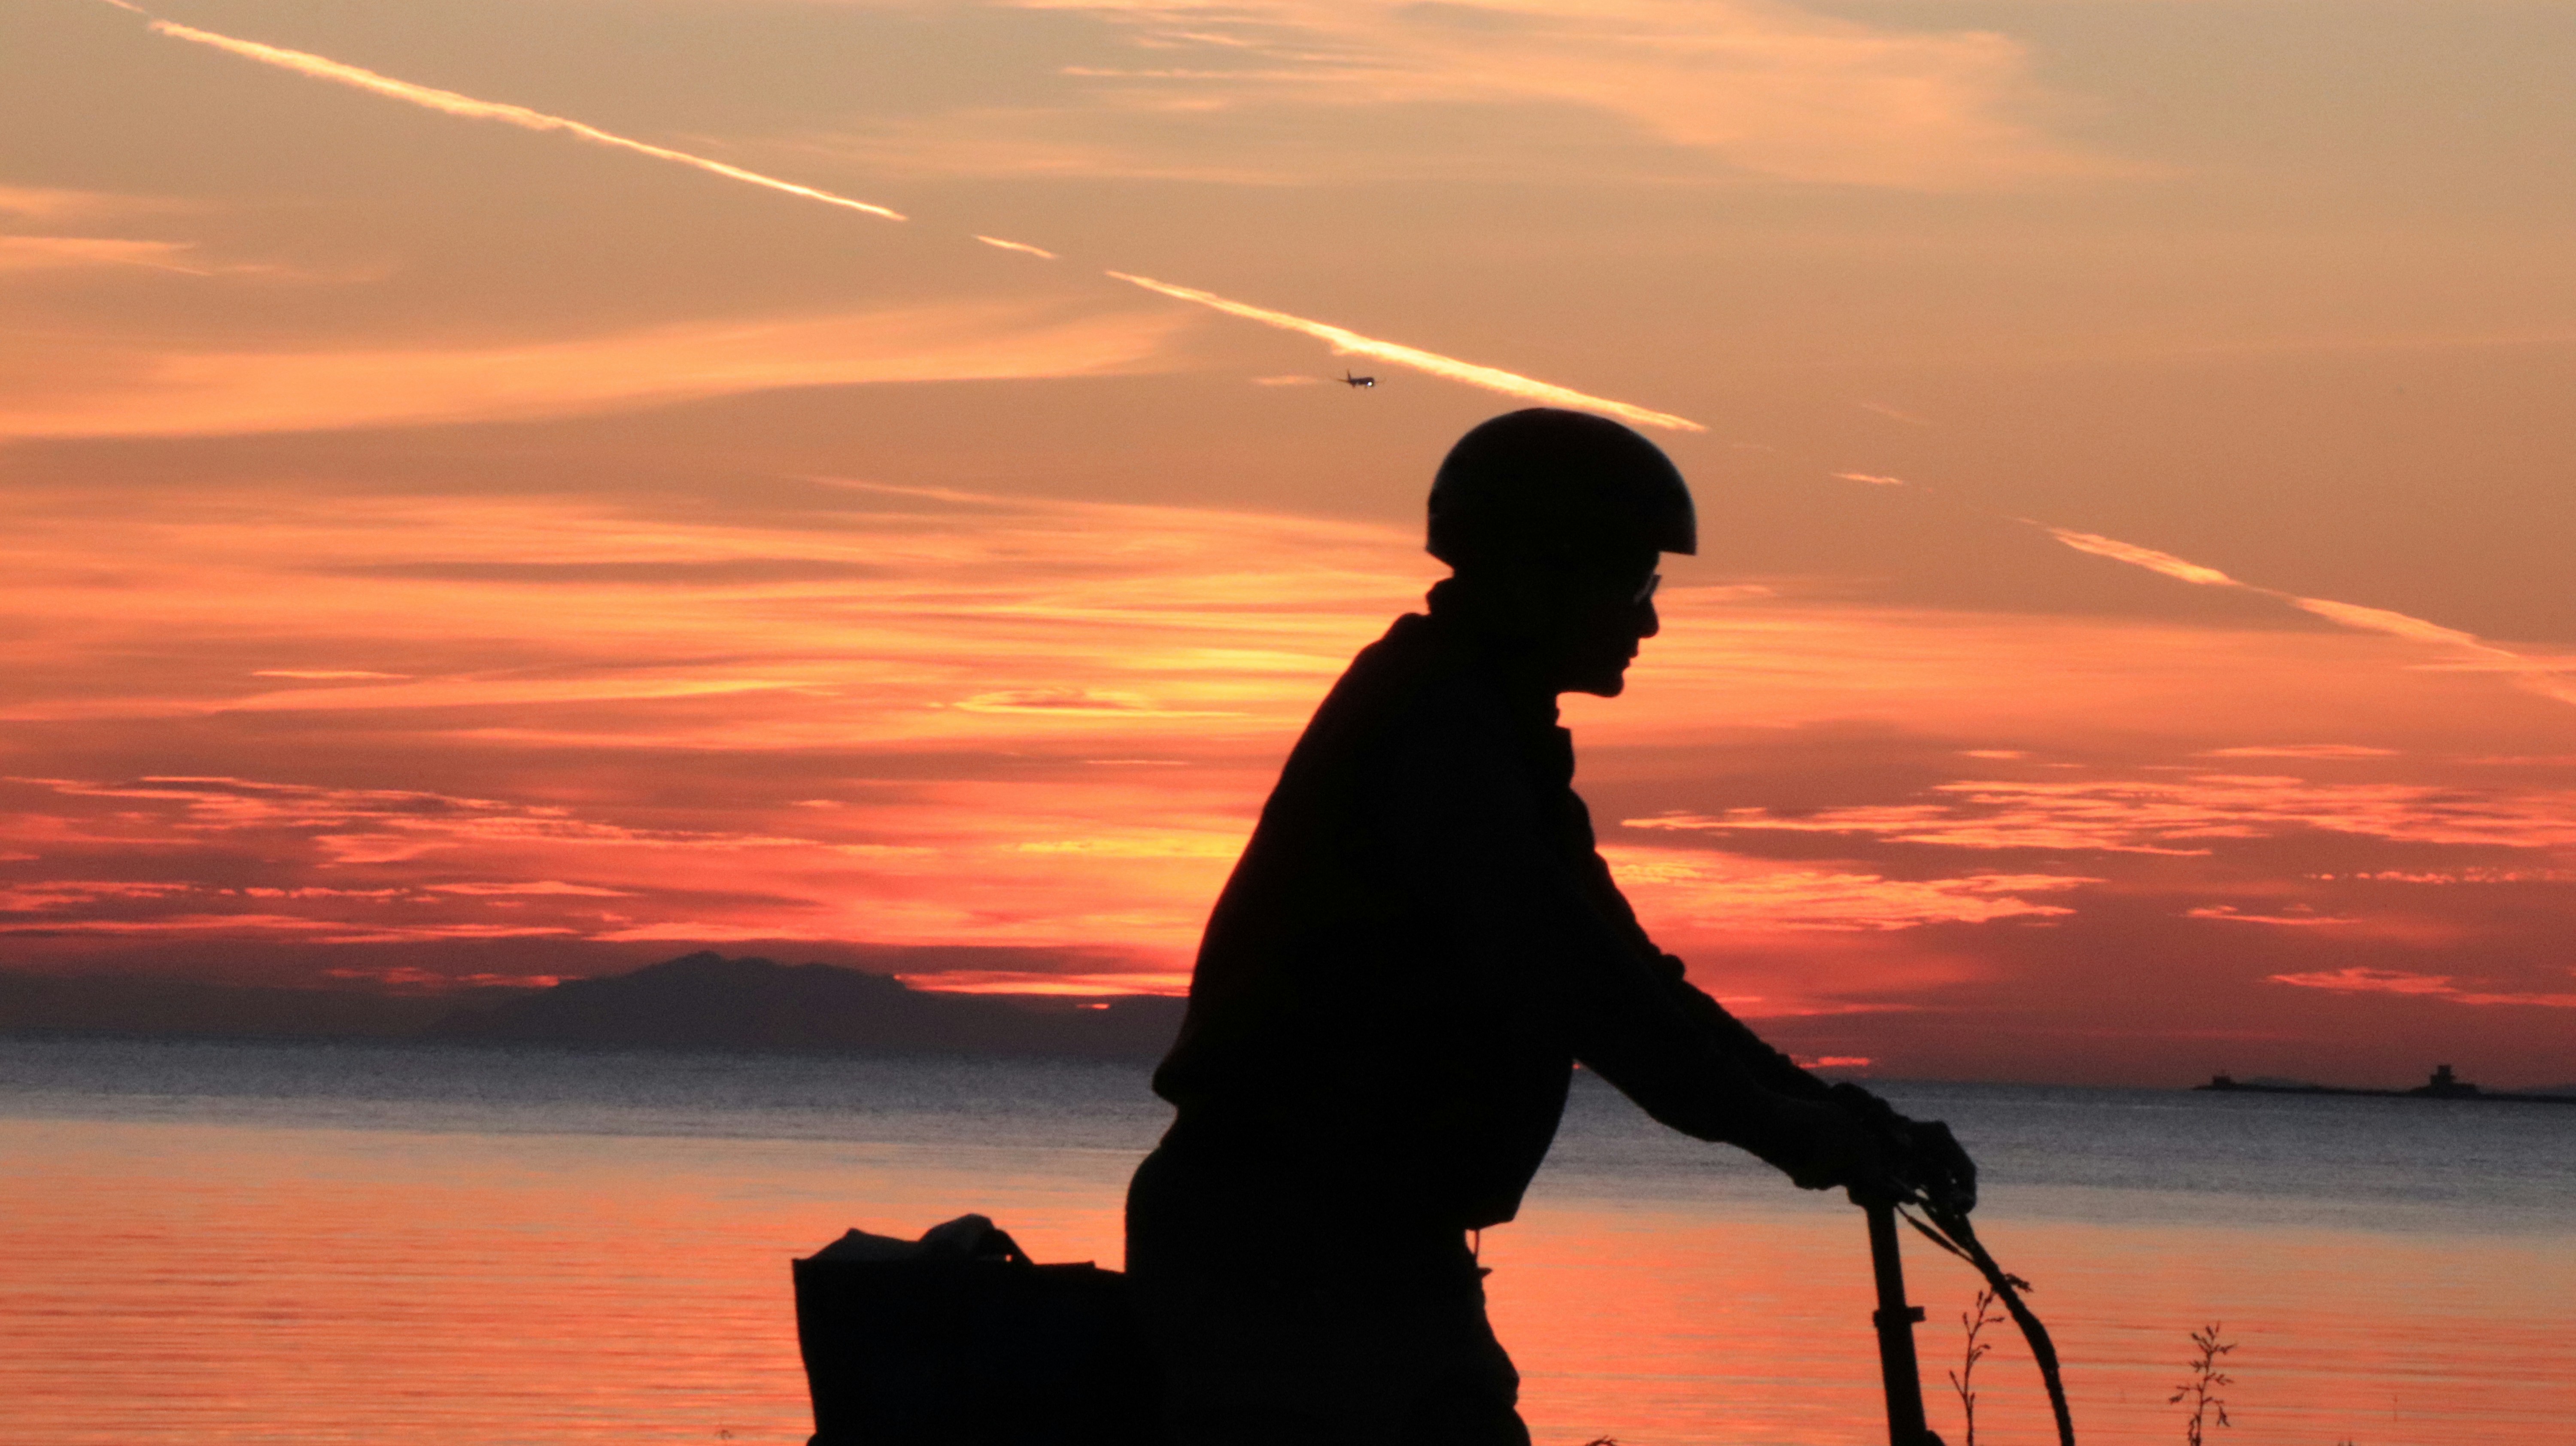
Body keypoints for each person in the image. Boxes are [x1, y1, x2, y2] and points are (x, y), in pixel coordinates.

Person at [1124, 409, 1977, 1446]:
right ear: (1539, 573)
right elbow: (1580, 988)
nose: (1648, 622)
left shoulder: (1487, 729)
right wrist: (1792, 1132)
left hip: (1360, 1237)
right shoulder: (1440, 735)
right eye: (1635, 586)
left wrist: (1834, 1108)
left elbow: (1636, 979)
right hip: (1290, 1243)